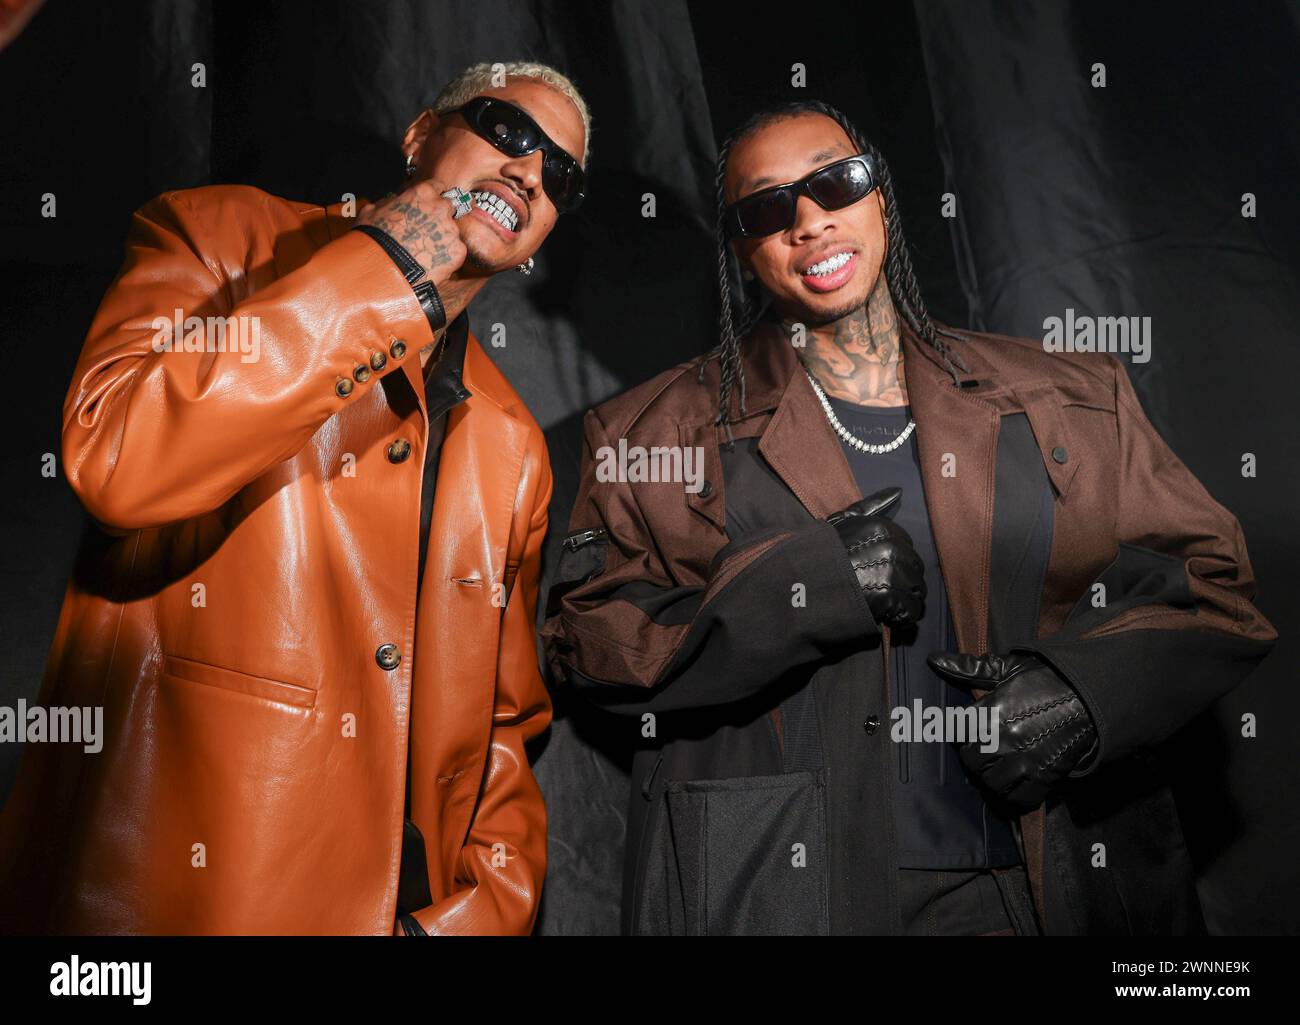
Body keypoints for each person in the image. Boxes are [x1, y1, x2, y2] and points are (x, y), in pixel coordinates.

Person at [541, 100, 1276, 935]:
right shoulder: (649, 434)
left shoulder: (1069, 395)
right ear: (742, 250)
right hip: (790, 898)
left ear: (881, 197)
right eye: (768, 208)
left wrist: (1082, 693)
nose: (809, 221)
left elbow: (1213, 584)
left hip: (1050, 881)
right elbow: (588, 645)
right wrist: (808, 584)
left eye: (835, 183)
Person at [0, 61, 589, 936]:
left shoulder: (514, 446)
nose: (530, 171)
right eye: (508, 130)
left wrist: (473, 915)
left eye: (561, 174)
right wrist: (387, 276)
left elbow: (502, 725)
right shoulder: (218, 235)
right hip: (175, 896)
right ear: (421, 135)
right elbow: (116, 459)